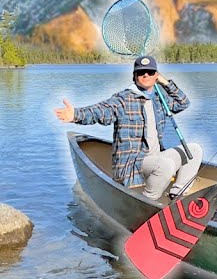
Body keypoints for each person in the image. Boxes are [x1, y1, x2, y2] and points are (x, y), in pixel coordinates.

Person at [55, 55, 204, 201]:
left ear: (156, 76)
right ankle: (147, 203)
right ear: (134, 76)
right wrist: (75, 114)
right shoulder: (123, 99)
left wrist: (165, 82)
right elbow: (100, 111)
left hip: (155, 158)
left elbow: (183, 103)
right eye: (141, 72)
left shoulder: (160, 99)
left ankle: (177, 194)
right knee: (166, 165)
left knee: (195, 149)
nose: (146, 75)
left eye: (150, 72)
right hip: (132, 164)